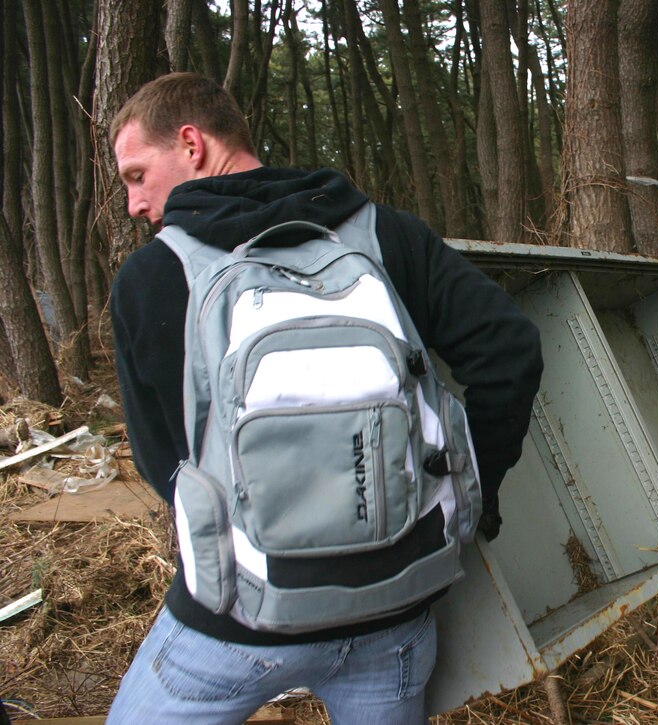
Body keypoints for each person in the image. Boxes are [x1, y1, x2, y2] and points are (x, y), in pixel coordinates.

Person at [106, 72, 543, 724]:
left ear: (192, 144)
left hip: (239, 621)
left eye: (137, 175)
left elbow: (161, 462)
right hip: (394, 611)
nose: (135, 203)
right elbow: (510, 351)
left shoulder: (152, 277)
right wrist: (472, 492)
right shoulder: (387, 234)